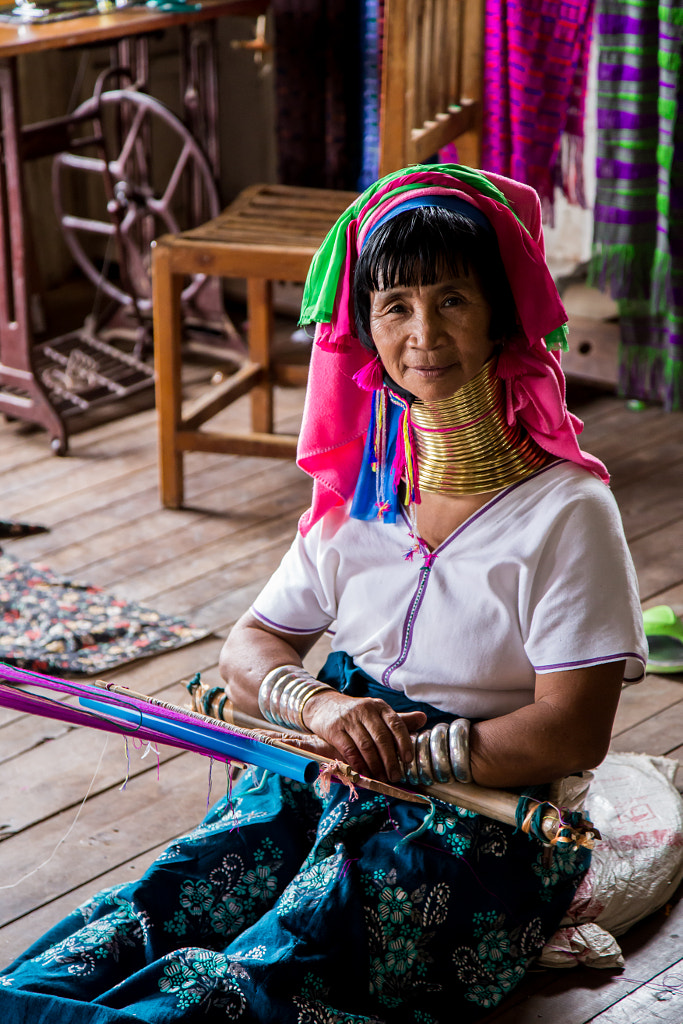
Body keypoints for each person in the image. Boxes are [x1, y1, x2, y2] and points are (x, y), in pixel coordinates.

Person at [0, 165, 647, 1023]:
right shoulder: (361, 493)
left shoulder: (567, 511)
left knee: (286, 957)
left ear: (500, 313)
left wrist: (403, 756)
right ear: (365, 328)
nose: (423, 334)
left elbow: (573, 729)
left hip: (479, 818)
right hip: (328, 765)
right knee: (169, 899)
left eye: (451, 300)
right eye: (396, 307)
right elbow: (249, 646)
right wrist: (319, 710)